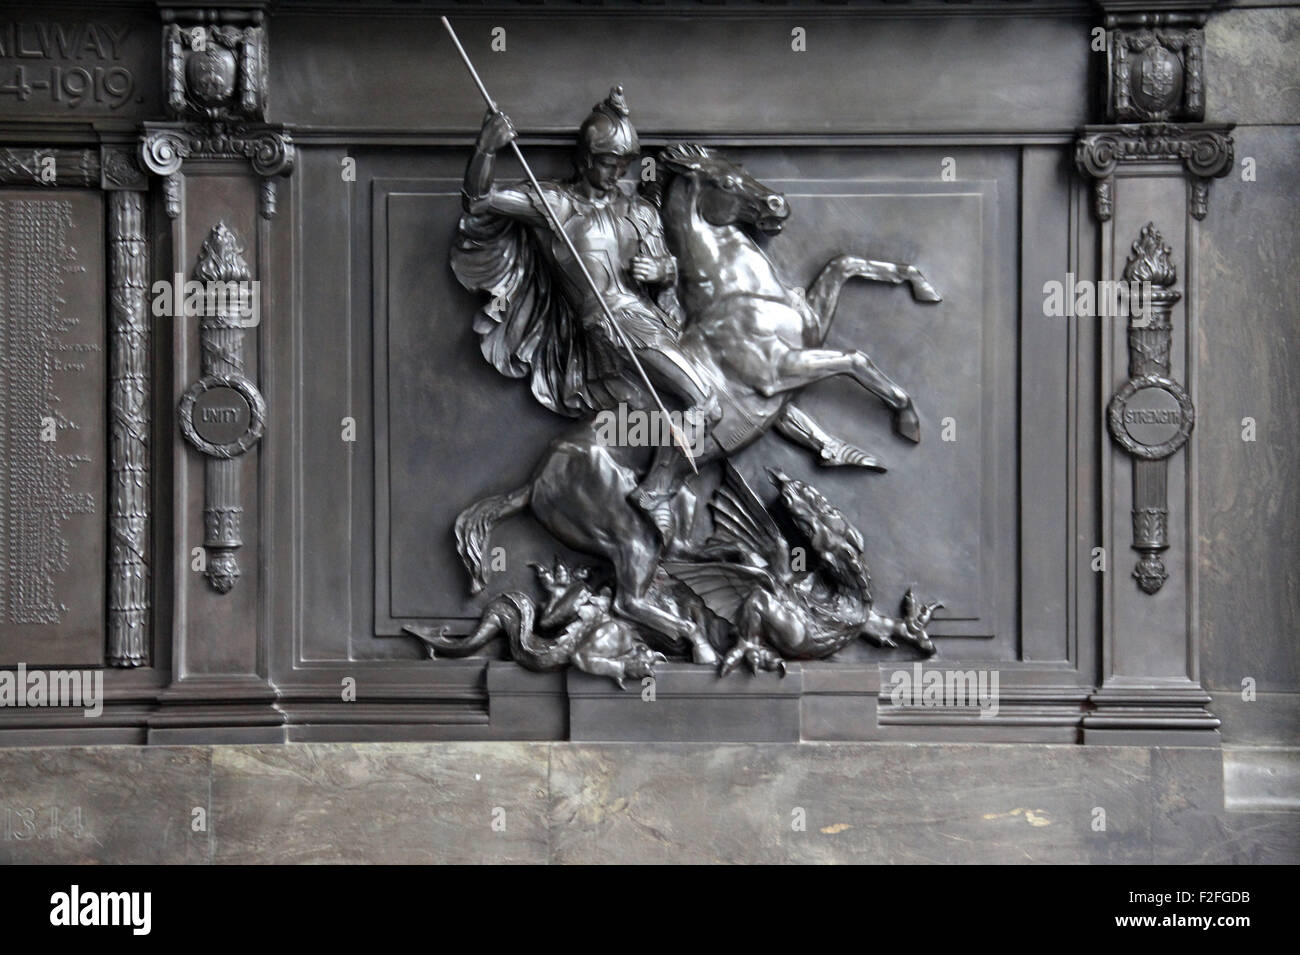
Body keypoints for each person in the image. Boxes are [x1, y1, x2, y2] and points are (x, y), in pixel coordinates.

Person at [452, 86, 718, 536]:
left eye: (623, 165)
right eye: (606, 163)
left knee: (662, 416)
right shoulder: (556, 204)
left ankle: (643, 468)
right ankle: (656, 490)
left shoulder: (640, 213)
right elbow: (478, 201)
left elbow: (667, 276)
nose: (615, 173)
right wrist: (485, 150)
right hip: (608, 327)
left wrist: (663, 271)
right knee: (704, 403)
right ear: (586, 158)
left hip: (647, 323)